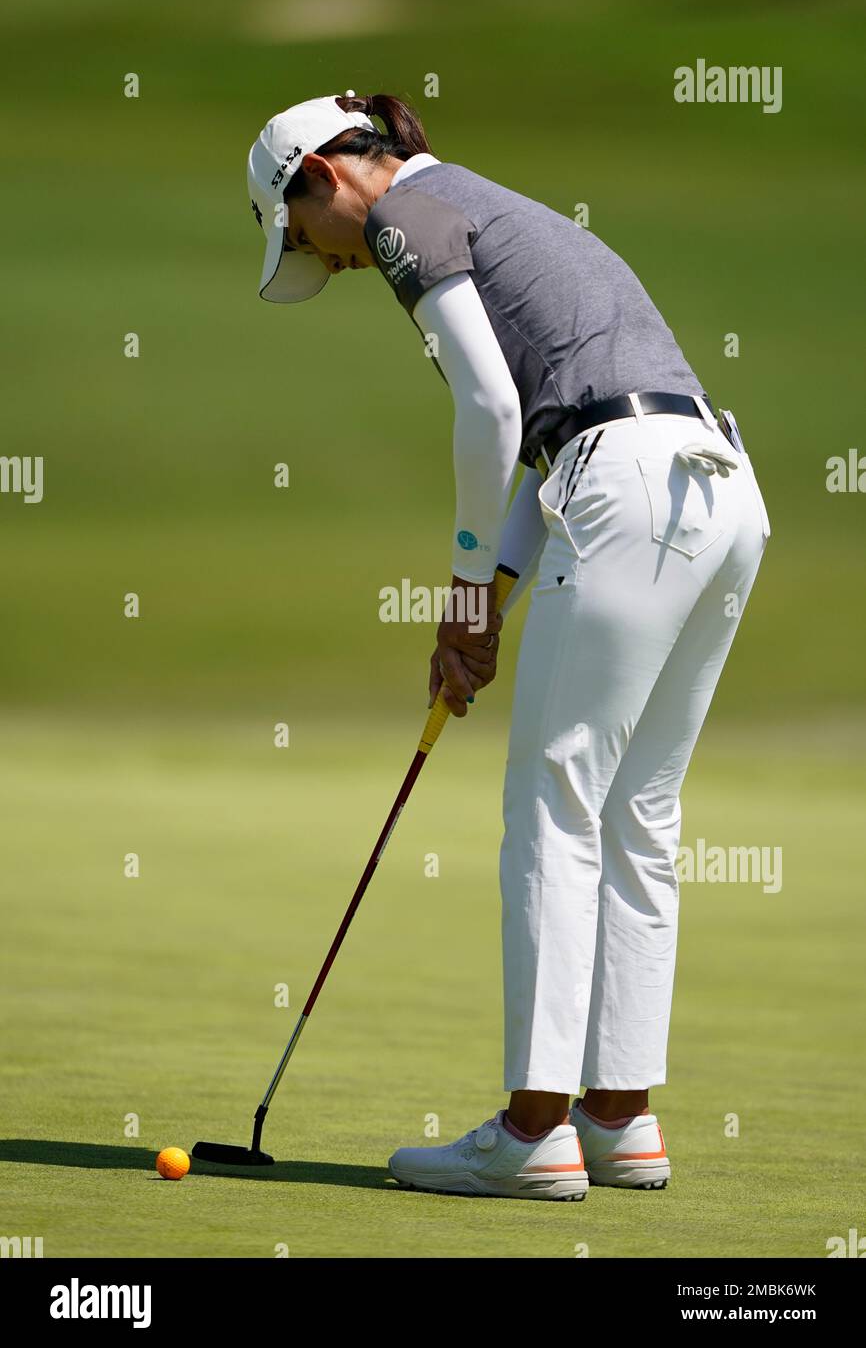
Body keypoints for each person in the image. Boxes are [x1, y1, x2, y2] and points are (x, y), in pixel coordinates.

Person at [246, 91, 771, 1201]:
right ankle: (617, 1116)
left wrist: (463, 595)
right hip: (716, 494)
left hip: (624, 487)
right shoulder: (497, 206)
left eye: (303, 238)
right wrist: (489, 593)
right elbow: (559, 440)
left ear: (323, 176)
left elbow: (489, 412)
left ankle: (533, 1129)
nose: (326, 263)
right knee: (633, 811)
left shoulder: (404, 219)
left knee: (552, 801)